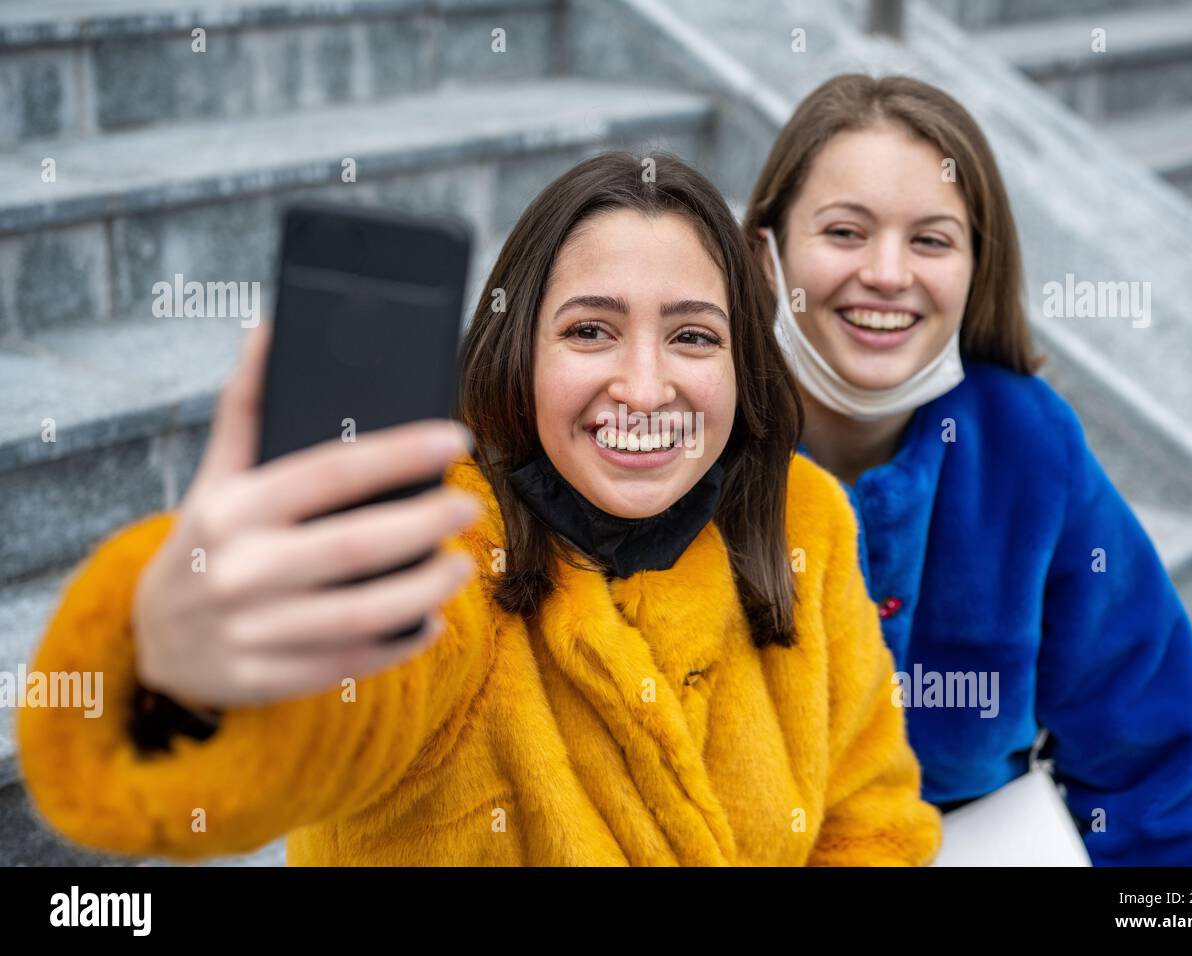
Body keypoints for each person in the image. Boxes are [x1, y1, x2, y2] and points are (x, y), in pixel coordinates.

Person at [18, 151, 941, 866]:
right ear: (518, 351)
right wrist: (185, 674)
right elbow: (328, 727)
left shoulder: (801, 519)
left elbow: (870, 816)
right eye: (591, 330)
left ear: (742, 365)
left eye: (694, 335)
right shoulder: (441, 543)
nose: (646, 384)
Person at [742, 73, 1192, 866]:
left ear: (977, 266)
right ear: (765, 254)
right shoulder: (687, 435)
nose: (886, 272)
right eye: (844, 232)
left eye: (932, 240)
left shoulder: (1029, 444)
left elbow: (1151, 757)